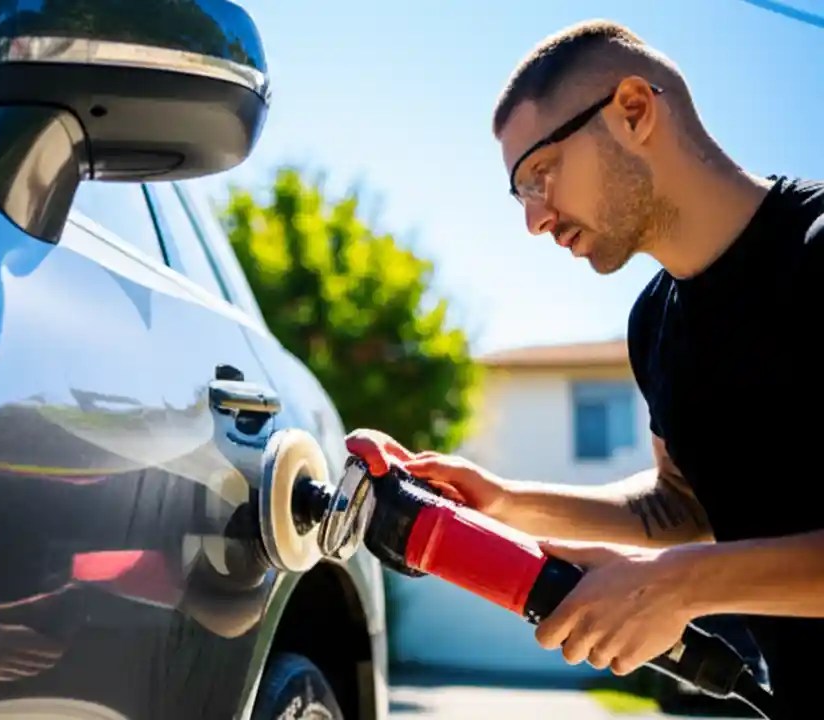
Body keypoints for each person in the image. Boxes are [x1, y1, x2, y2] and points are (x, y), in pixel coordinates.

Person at [349, 18, 824, 716]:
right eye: (521, 194)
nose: (535, 221)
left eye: (541, 173)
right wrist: (506, 501)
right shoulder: (656, 326)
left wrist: (674, 586)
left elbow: (678, 560)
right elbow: (677, 506)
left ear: (633, 110)